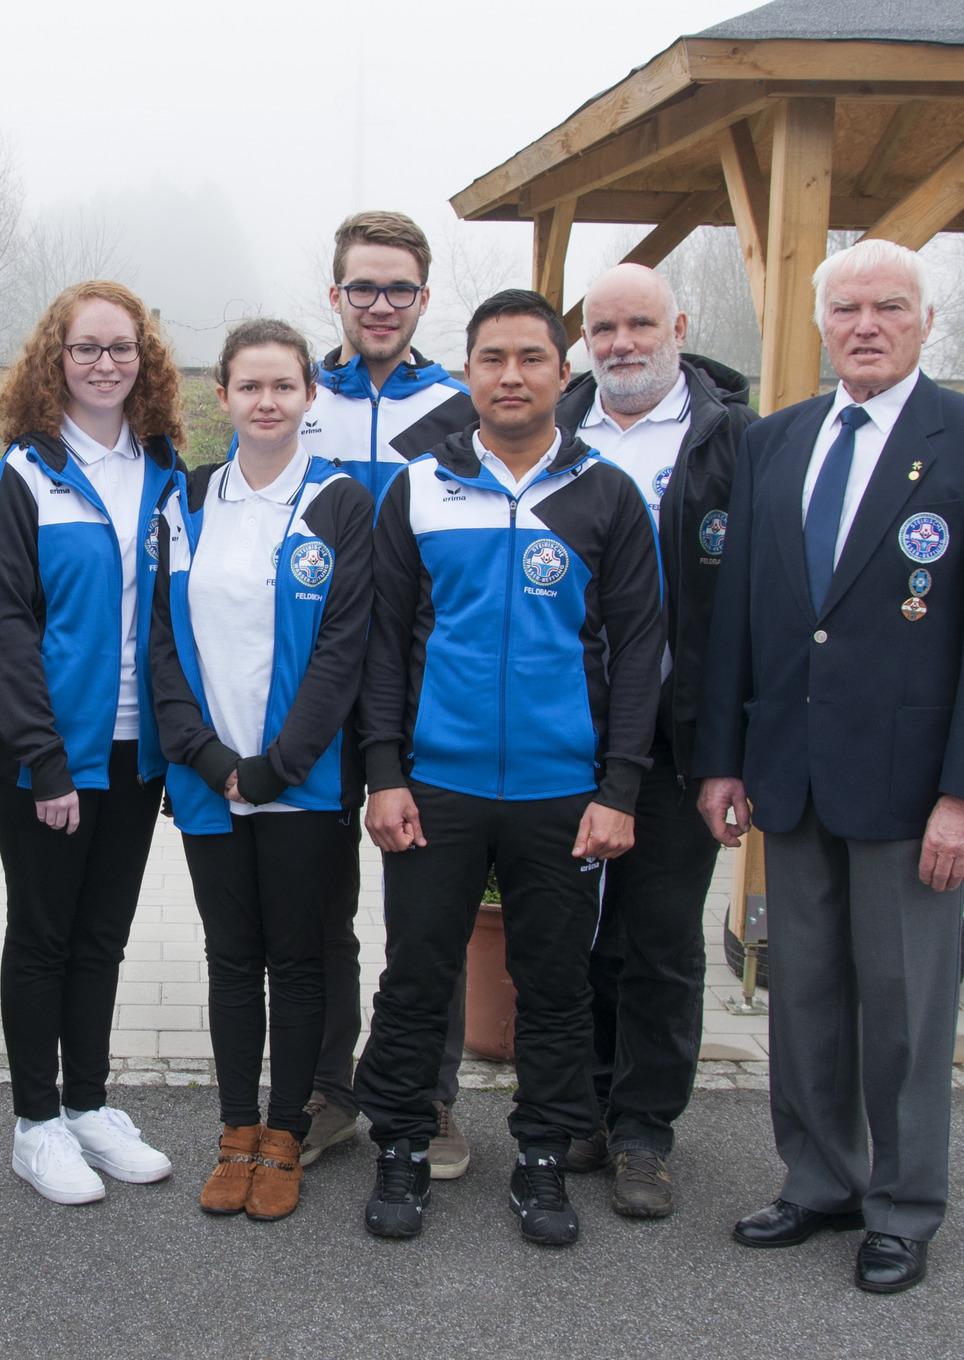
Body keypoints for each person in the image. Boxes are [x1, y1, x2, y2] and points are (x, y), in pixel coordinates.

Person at [696, 238, 964, 1295]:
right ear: (819, 323)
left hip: (909, 790)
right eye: (844, 307)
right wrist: (722, 757)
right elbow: (743, 616)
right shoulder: (775, 441)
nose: (864, 325)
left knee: (902, 1005)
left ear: (924, 321)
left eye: (887, 307)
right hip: (789, 776)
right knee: (801, 992)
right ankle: (817, 1178)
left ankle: (901, 1206)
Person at [352, 289, 663, 1249]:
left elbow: (640, 646)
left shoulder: (605, 492)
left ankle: (542, 1156)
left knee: (556, 983)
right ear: (469, 372)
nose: (512, 375)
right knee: (416, 977)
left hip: (560, 792)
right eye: (492, 358)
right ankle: (402, 1142)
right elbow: (385, 646)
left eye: (532, 357)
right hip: (435, 786)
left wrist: (619, 790)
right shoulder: (416, 488)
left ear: (561, 375)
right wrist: (384, 774)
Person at [152, 318, 374, 1223]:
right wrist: (212, 761)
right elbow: (161, 644)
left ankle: (287, 1135)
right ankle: (236, 1133)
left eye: (285, 386)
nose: (268, 401)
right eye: (251, 386)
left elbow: (343, 653)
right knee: (232, 959)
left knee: (301, 958)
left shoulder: (341, 504)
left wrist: (276, 768)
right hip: (210, 779)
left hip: (302, 783)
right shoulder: (187, 498)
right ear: (224, 396)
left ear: (310, 396)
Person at [551, 262, 758, 1216]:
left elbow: (762, 606)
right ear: (582, 341)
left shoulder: (733, 443)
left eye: (641, 324)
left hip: (677, 743)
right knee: (577, 936)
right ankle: (584, 1106)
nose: (623, 343)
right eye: (604, 329)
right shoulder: (553, 430)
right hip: (564, 738)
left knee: (661, 942)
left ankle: (643, 1131)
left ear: (681, 324)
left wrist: (733, 751)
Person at [0, 281, 186, 1205]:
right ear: (53, 358)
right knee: (43, 935)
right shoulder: (26, 471)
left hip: (139, 752)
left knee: (102, 936)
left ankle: (92, 1106)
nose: (106, 363)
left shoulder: (167, 470)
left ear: (145, 359)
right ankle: (35, 1124)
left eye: (122, 348)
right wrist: (44, 757)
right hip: (53, 754)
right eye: (86, 347)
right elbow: (6, 628)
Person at [298, 211, 480, 1179]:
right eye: (360, 288)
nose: (378, 305)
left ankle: (426, 1091)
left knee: (427, 912)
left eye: (397, 289)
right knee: (321, 907)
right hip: (313, 694)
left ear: (421, 297)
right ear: (333, 295)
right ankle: (330, 1088)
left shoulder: (460, 406)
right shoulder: (294, 394)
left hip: (422, 692)